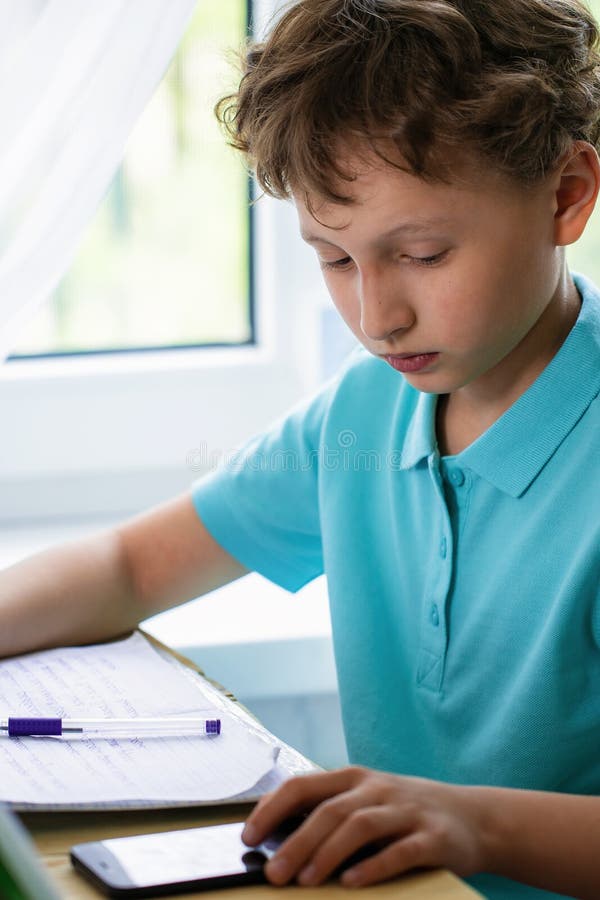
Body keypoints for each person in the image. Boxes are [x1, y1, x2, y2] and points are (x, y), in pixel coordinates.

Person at [1, 0, 599, 896]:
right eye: (335, 258)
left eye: (425, 253)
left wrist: (469, 821)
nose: (377, 315)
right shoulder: (366, 412)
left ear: (564, 194)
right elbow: (129, 565)